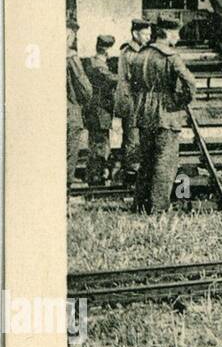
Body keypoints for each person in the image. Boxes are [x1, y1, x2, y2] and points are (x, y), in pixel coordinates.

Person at [132, 18, 197, 213]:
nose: (177, 37)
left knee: (146, 160)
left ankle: (140, 204)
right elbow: (190, 83)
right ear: (167, 34)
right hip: (166, 113)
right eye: (176, 33)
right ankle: (158, 207)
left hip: (144, 111)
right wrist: (180, 101)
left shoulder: (141, 54)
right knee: (165, 161)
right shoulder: (170, 55)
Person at [113, 18, 153, 184]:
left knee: (137, 138)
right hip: (132, 102)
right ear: (135, 33)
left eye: (149, 34)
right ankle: (131, 174)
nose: (148, 37)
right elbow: (133, 79)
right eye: (144, 34)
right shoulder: (130, 52)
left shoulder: (142, 50)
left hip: (140, 102)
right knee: (133, 139)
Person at [81, 34, 117, 186]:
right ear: (105, 50)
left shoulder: (92, 63)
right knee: (99, 145)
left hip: (96, 112)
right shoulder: (99, 67)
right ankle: (96, 177)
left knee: (97, 143)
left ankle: (97, 175)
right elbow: (112, 80)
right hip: (99, 112)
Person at [66, 17, 92, 187]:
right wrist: (86, 100)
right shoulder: (70, 57)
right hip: (70, 107)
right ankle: (67, 178)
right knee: (71, 143)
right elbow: (84, 86)